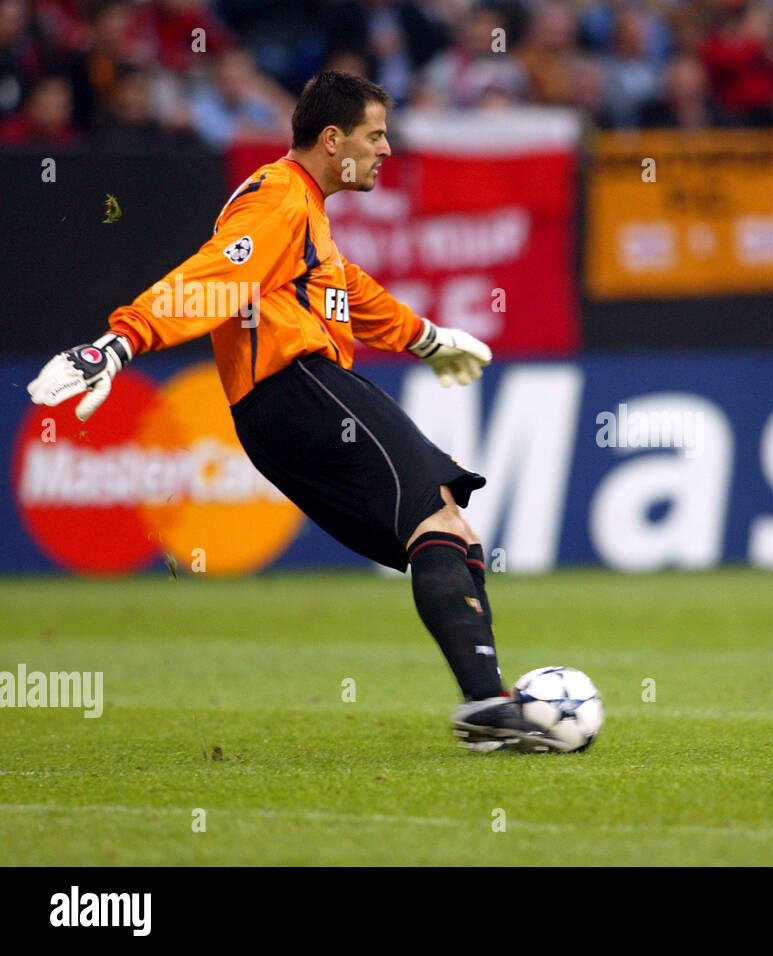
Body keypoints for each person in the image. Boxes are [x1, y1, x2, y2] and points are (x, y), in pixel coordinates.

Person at [26, 70, 563, 754]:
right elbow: (212, 277)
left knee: (448, 535)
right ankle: (487, 707)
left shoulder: (303, 209)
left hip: (274, 415)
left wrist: (424, 337)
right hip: (300, 386)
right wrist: (119, 343)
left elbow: (349, 288)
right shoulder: (279, 198)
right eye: (375, 135)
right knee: (437, 518)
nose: (386, 150)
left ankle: (489, 704)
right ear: (332, 138)